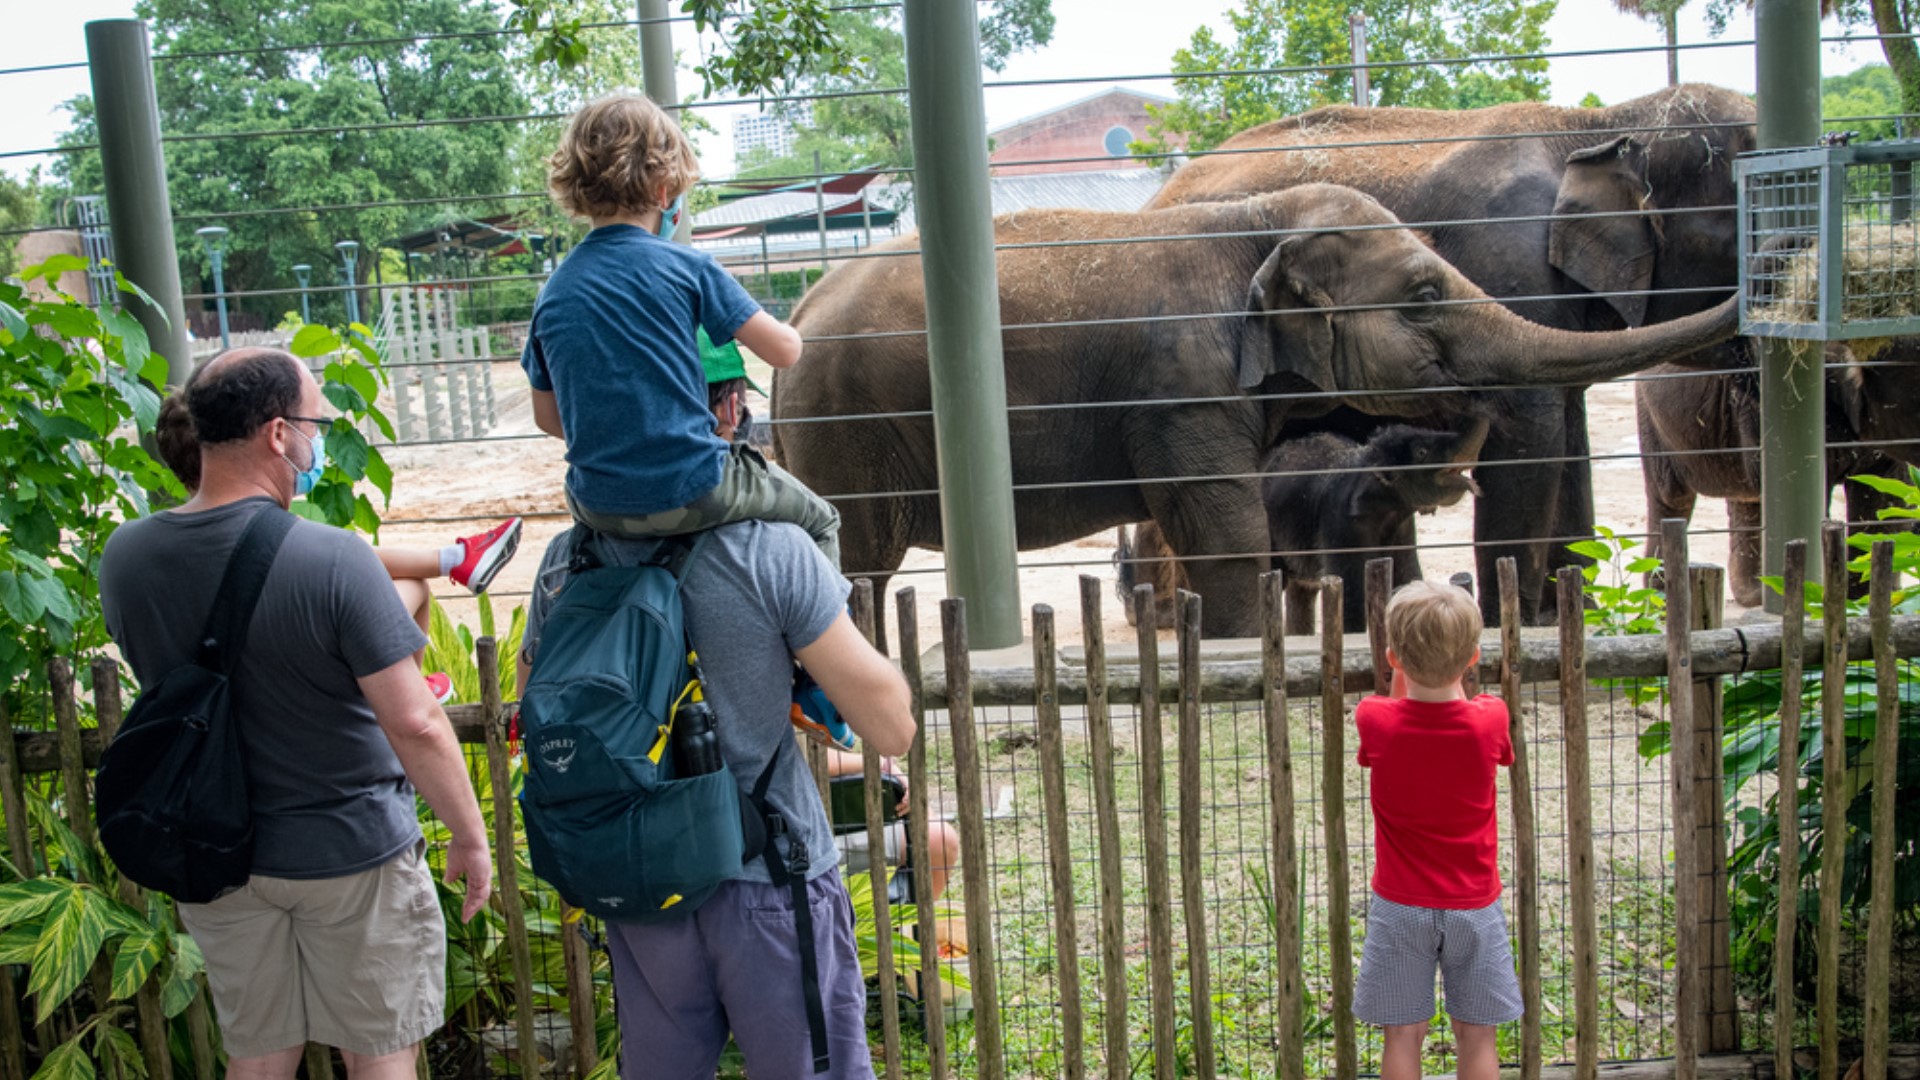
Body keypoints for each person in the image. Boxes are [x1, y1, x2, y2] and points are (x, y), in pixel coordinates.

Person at [517, 345, 913, 1080]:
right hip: (768, 873)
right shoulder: (772, 550)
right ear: (728, 410)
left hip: (639, 884)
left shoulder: (566, 561)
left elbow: (539, 705)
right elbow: (890, 727)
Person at [100, 347, 493, 1080]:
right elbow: (415, 722)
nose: (317, 440)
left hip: (217, 851)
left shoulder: (126, 557)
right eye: (314, 423)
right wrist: (471, 838)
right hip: (351, 853)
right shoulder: (334, 558)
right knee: (380, 1054)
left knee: (257, 1057)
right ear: (278, 433)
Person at [523, 92, 840, 565]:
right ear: (663, 188)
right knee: (821, 520)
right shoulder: (689, 267)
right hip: (695, 489)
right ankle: (824, 635)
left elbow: (548, 418)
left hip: (597, 505)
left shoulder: (555, 290)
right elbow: (784, 352)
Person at [155, 390, 522, 702]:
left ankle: (455, 560)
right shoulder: (265, 527)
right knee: (411, 584)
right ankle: (409, 686)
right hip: (308, 659)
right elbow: (351, 561)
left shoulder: (159, 543)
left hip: (237, 669)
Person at [1353, 580, 1523, 1080]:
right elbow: (1472, 718)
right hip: (1473, 905)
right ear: (1473, 657)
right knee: (1477, 1036)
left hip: (1401, 906)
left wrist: (1403, 672)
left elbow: (1394, 709)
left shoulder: (1375, 720)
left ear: (1391, 658)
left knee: (1403, 1036)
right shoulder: (1489, 719)